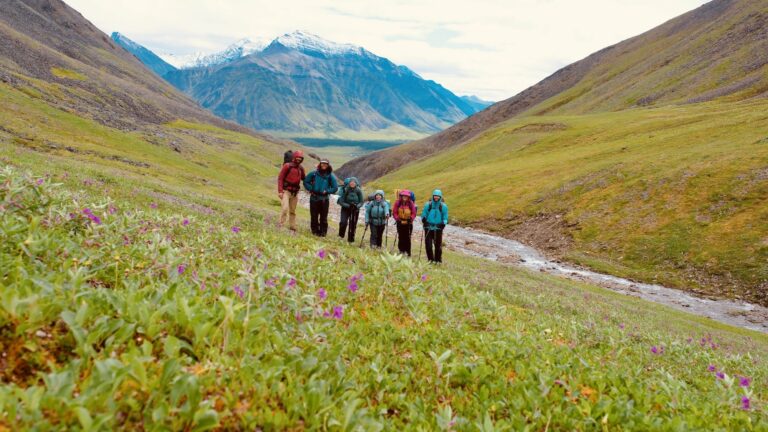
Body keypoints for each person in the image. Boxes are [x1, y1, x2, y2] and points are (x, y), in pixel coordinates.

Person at [303, 159, 338, 236]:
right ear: (320, 164)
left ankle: (323, 233)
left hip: (324, 199)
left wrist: (327, 191)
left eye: (325, 164)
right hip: (314, 198)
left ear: (328, 165)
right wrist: (311, 188)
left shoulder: (330, 176)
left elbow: (335, 188)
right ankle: (314, 232)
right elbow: (305, 182)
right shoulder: (314, 173)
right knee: (314, 216)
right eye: (322, 163)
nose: (324, 165)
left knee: (323, 217)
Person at [277, 150, 306, 231]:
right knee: (285, 208)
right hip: (286, 191)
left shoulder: (301, 168)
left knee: (292, 211)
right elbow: (280, 178)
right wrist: (280, 191)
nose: (299, 159)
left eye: (300, 158)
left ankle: (292, 226)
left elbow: (304, 179)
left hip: (295, 193)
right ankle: (281, 224)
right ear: (294, 157)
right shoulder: (287, 166)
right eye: (298, 157)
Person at [421, 189, 449, 263]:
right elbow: (424, 214)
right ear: (433, 196)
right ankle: (430, 260)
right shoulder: (428, 205)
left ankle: (438, 260)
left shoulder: (443, 206)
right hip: (428, 227)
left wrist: (444, 223)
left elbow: (445, 217)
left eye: (438, 196)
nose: (436, 197)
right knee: (428, 245)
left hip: (438, 228)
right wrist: (423, 219)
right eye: (435, 196)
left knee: (438, 246)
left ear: (440, 197)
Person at [337, 177, 364, 243]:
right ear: (349, 183)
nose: (352, 183)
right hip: (345, 209)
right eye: (351, 182)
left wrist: (357, 206)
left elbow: (361, 201)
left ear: (356, 183)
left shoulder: (358, 190)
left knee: (353, 224)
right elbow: (341, 201)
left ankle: (351, 239)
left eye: (353, 182)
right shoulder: (346, 190)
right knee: (343, 222)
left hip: (355, 210)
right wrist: (348, 206)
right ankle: (341, 236)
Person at [393, 189, 416, 256]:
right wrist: (397, 219)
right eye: (403, 196)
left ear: (408, 197)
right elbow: (394, 212)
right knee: (401, 237)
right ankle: (401, 251)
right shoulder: (398, 203)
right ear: (401, 196)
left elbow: (414, 213)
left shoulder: (411, 203)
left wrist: (411, 219)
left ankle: (408, 253)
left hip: (408, 223)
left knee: (407, 238)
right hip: (400, 222)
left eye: (406, 196)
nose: (405, 197)